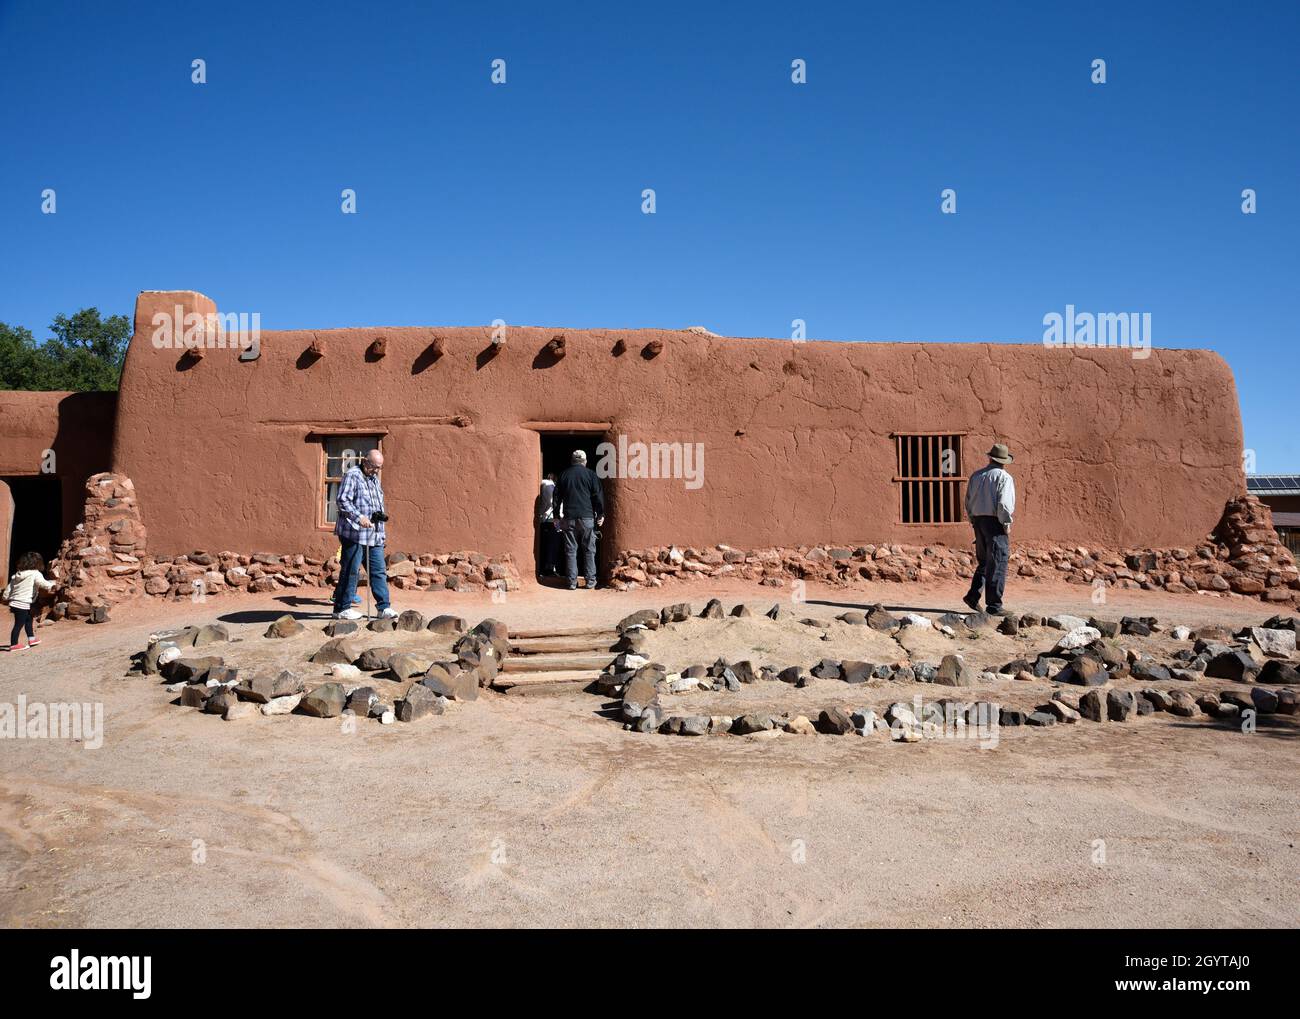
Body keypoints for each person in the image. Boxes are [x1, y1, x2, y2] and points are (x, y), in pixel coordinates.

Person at [332, 449, 398, 621]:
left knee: (378, 571)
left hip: (373, 535)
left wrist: (381, 532)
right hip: (353, 533)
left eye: (379, 468)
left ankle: (383, 608)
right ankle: (341, 609)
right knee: (351, 571)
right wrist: (359, 517)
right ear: (365, 461)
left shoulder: (374, 479)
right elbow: (342, 500)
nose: (376, 470)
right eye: (374, 467)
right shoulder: (353, 475)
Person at [963, 442, 1016, 616]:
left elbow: (968, 501)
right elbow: (1004, 505)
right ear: (1004, 461)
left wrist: (973, 520)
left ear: (990, 457)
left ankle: (973, 596)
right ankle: (994, 606)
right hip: (995, 522)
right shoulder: (1004, 477)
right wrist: (1006, 524)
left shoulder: (976, 476)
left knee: (985, 562)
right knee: (998, 562)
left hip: (978, 521)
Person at [553, 449, 605, 590]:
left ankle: (571, 582)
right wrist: (600, 514)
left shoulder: (564, 475)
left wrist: (556, 516)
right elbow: (598, 496)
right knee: (589, 550)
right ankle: (590, 581)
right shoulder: (591, 475)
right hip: (587, 518)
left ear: (572, 461)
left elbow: (556, 497)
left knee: (570, 551)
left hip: (569, 518)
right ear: (585, 461)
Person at [3, 551, 56, 651]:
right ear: (38, 563)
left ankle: (31, 639)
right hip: (22, 603)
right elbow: (42, 583)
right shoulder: (35, 573)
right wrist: (52, 585)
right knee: (19, 624)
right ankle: (14, 644)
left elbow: (9, 588)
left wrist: (5, 598)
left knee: (28, 618)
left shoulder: (17, 575)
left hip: (16, 603)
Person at [536, 473, 560, 578]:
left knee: (548, 545)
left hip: (546, 520)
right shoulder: (549, 486)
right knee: (551, 546)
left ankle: (547, 568)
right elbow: (550, 503)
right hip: (550, 520)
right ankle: (548, 569)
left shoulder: (544, 485)